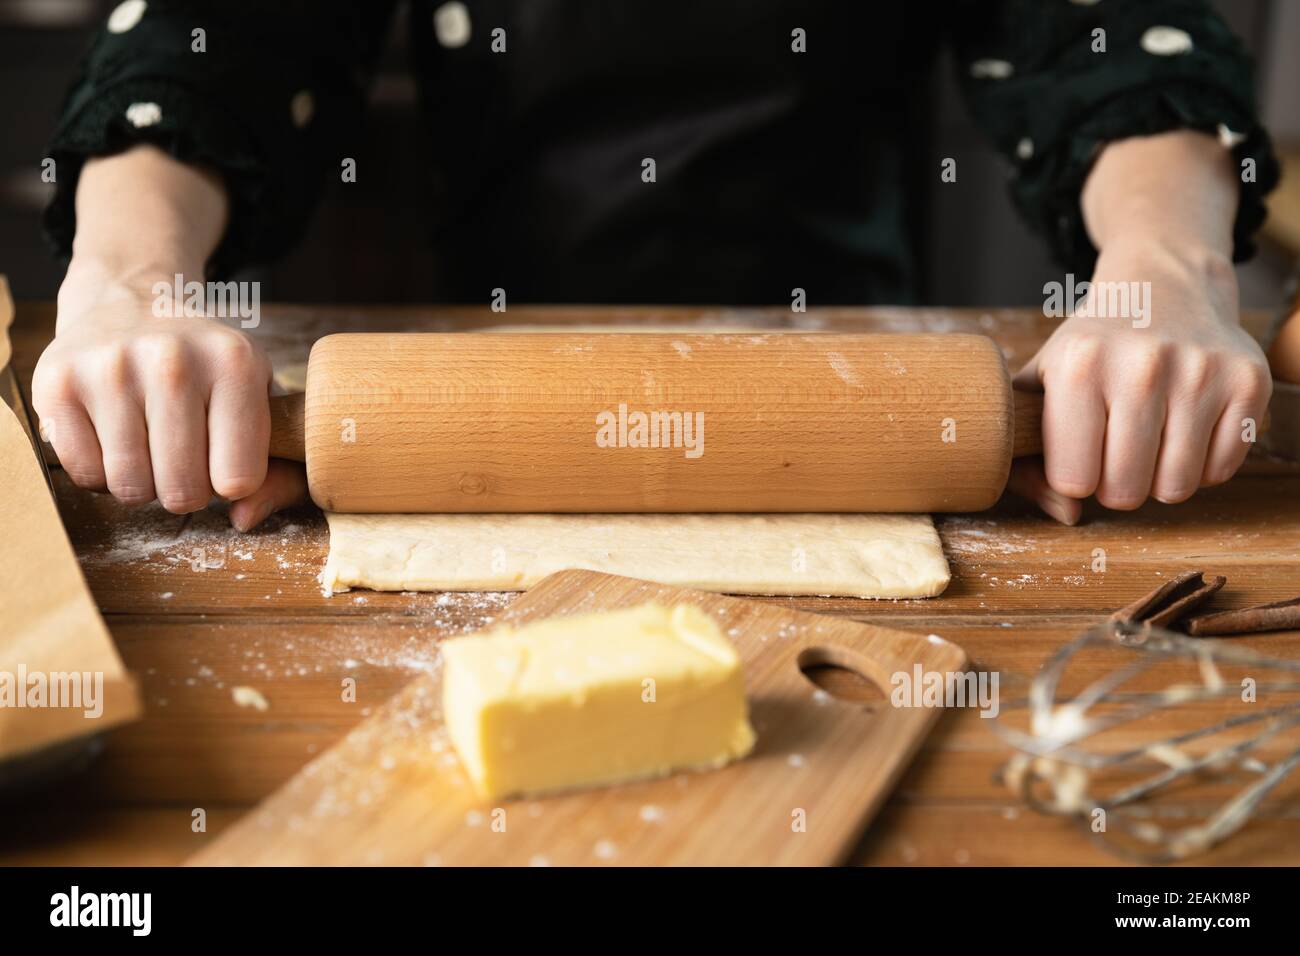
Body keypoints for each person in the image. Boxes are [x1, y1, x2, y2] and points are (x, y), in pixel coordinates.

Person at [33, 1, 1280, 530]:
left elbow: (1114, 34)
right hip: (487, 372)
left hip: (859, 377)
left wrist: (1163, 269)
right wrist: (133, 273)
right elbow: (220, 39)